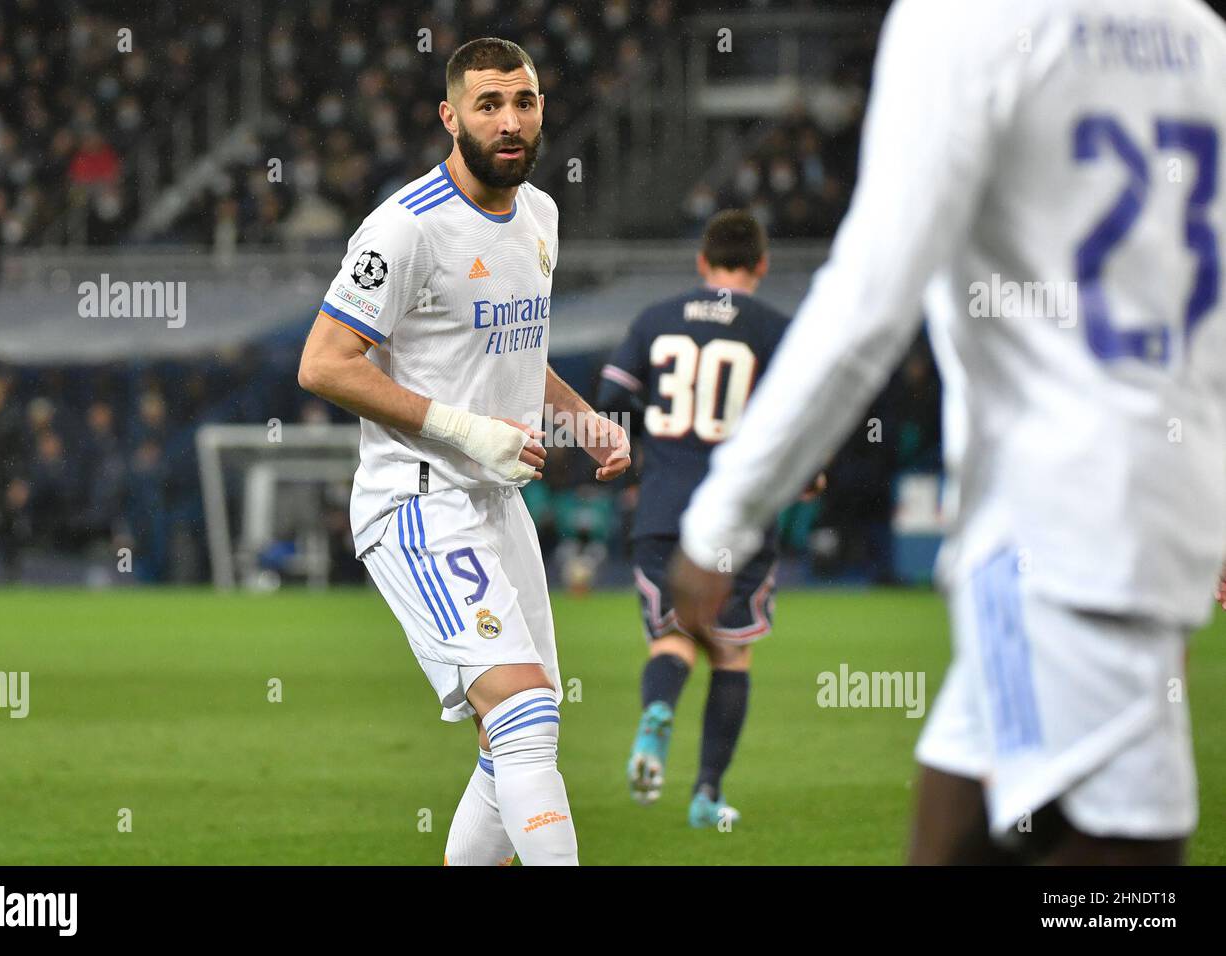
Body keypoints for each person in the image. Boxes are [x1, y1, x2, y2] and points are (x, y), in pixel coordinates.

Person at [670, 0, 1226, 864]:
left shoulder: (961, 21)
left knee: (1128, 869)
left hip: (1059, 523)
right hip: (1121, 520)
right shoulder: (1197, 34)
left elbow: (867, 303)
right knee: (960, 821)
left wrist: (721, 517)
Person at [297, 37, 631, 867]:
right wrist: (470, 431)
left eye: (523, 101)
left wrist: (583, 419)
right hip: (418, 500)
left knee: (513, 736)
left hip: (495, 502)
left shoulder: (542, 215)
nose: (509, 120)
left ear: (542, 110)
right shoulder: (405, 227)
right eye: (488, 104)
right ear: (450, 117)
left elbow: (513, 351)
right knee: (525, 717)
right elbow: (324, 364)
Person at [597, 210, 820, 827]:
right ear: (762, 265)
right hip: (740, 519)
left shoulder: (654, 319)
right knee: (730, 652)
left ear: (702, 262)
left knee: (672, 637)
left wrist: (640, 456)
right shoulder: (774, 329)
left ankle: (658, 711)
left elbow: (613, 400)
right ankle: (707, 796)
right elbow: (799, 420)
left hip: (665, 511)